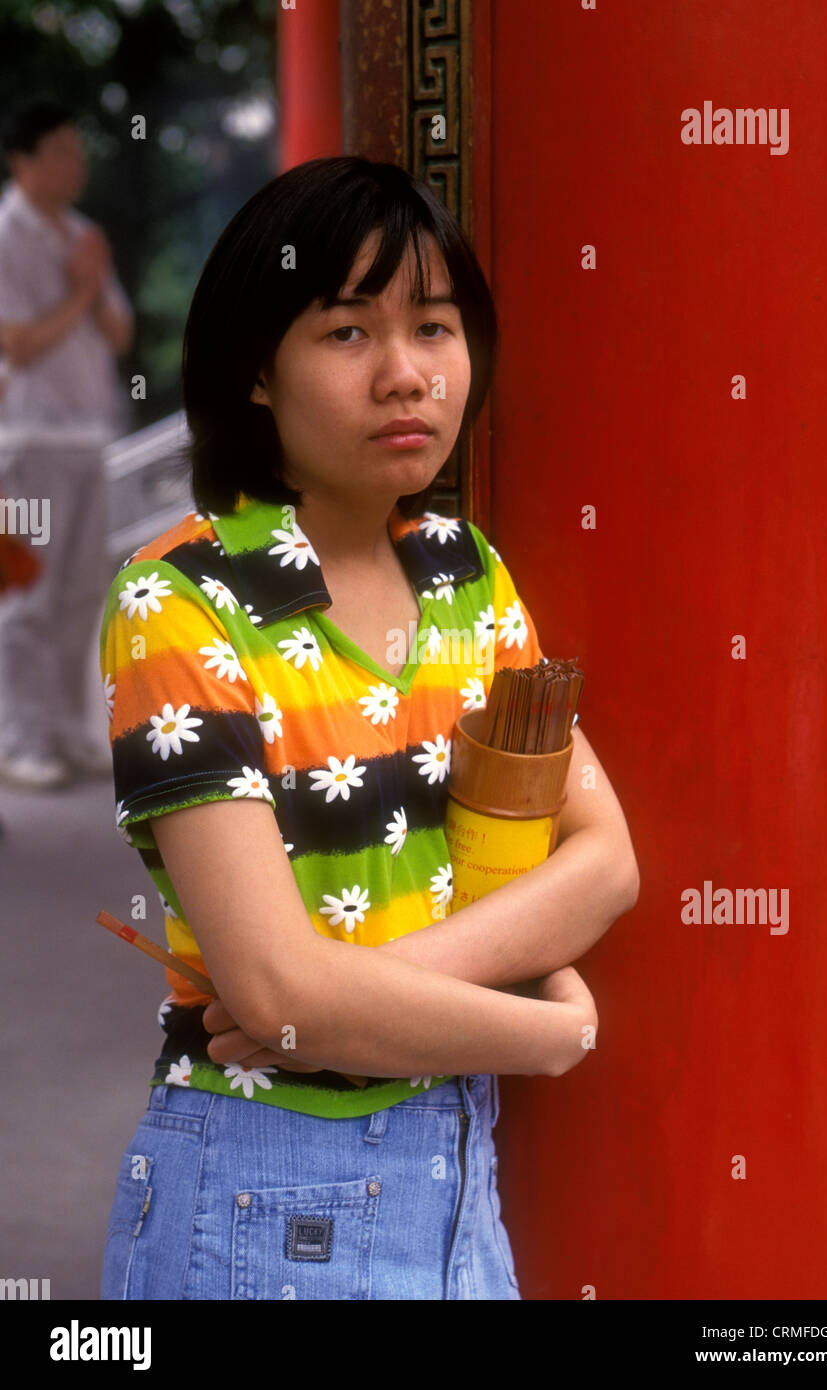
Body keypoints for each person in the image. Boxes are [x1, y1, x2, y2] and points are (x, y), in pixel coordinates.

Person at [98, 156, 640, 1300]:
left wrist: (347, 1001)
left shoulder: (463, 574)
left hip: (451, 1172)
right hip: (257, 1188)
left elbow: (606, 863)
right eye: (346, 333)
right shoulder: (181, 602)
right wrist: (537, 1033)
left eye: (434, 327)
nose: (406, 374)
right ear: (256, 367)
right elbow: (276, 990)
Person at [0, 100, 134, 789]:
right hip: (29, 440)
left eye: (75, 151)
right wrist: (81, 293)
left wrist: (92, 288)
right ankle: (21, 738)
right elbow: (15, 344)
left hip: (90, 437)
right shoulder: (7, 232)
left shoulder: (83, 232)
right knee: (29, 591)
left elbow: (120, 335)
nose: (73, 164)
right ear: (21, 161)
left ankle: (69, 733)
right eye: (58, 151)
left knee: (84, 590)